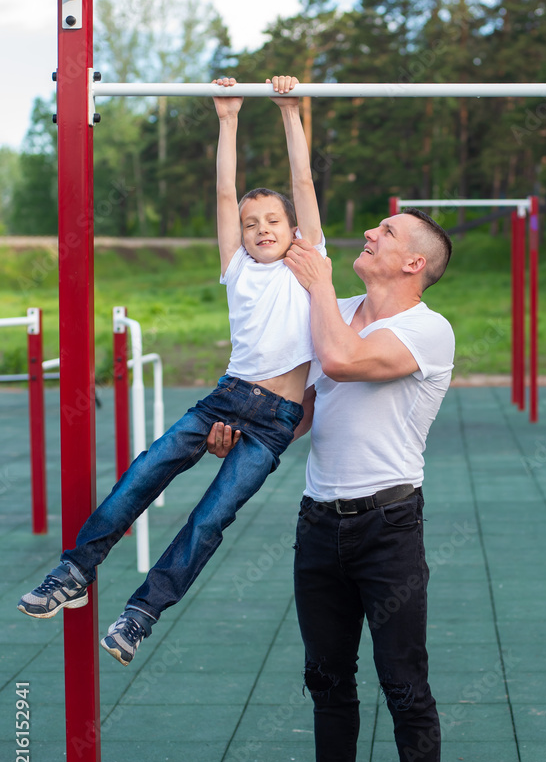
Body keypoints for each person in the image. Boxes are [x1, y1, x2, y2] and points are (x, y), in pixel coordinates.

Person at [17, 74, 325, 667]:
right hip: (226, 400)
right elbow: (222, 193)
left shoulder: (307, 264)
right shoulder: (236, 266)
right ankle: (74, 570)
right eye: (251, 222)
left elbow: (304, 182)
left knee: (212, 518)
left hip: (274, 423)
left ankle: (141, 613)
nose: (261, 229)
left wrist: (290, 112)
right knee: (141, 476)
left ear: (294, 232)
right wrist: (228, 118)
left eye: (272, 222)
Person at [208, 208, 454, 762]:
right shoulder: (336, 307)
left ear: (413, 264)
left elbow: (344, 358)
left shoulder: (426, 330)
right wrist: (241, 432)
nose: (369, 234)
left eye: (385, 232)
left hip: (389, 527)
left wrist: (315, 284)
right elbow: (301, 411)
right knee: (326, 677)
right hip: (320, 522)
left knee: (405, 685)